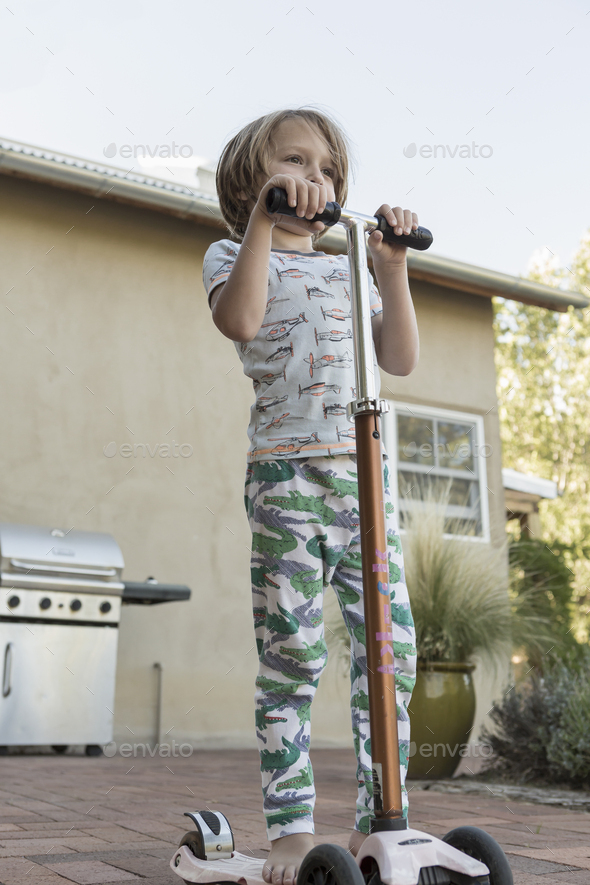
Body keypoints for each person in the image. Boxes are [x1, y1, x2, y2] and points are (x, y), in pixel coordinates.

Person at [202, 107, 419, 885]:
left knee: (389, 653)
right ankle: (292, 829)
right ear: (251, 184)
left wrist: (390, 268)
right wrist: (263, 222)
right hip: (288, 481)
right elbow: (243, 319)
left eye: (327, 168)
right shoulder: (232, 254)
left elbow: (398, 358)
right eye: (294, 162)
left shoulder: (346, 268)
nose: (315, 178)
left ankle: (382, 815)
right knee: (292, 655)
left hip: (366, 483)